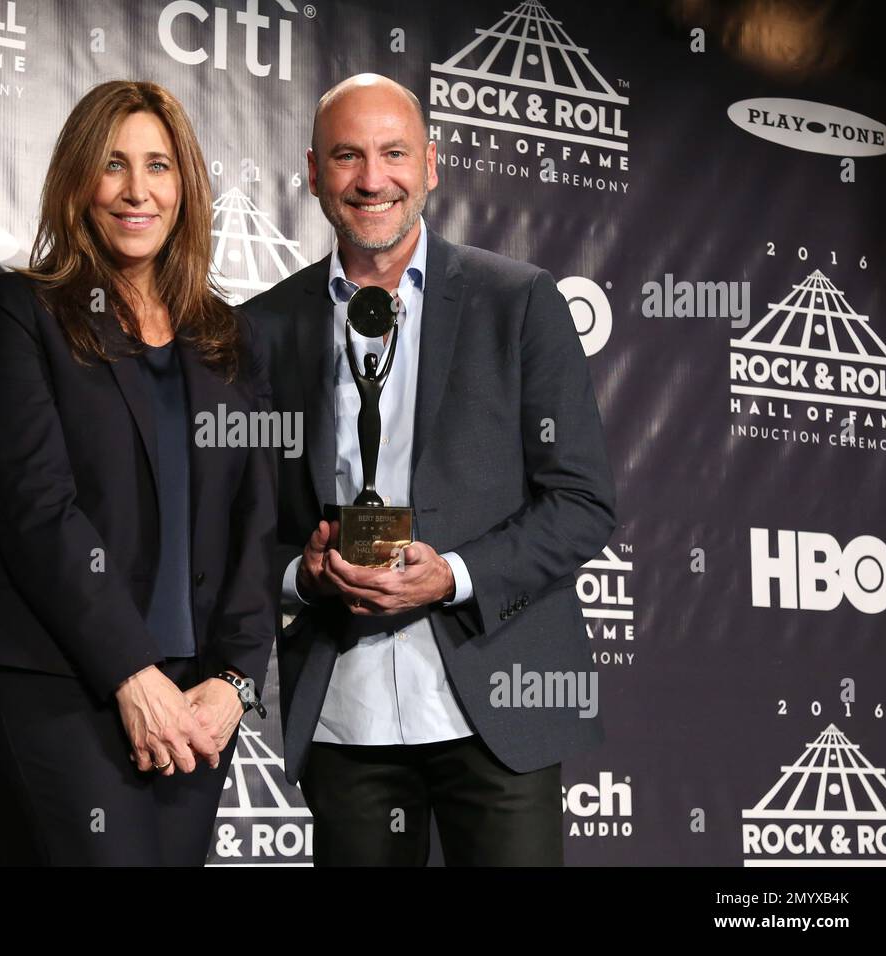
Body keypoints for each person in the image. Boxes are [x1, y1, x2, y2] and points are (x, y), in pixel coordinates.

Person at [241, 74, 616, 866]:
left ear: (433, 165)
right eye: (347, 156)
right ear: (311, 172)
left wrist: (452, 574)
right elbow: (243, 528)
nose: (372, 179)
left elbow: (581, 502)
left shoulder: (518, 301)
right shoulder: (264, 328)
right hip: (346, 715)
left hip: (496, 706)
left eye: (393, 153)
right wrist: (302, 576)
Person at [0, 80, 277, 866]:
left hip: (198, 698)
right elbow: (36, 508)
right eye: (113, 165)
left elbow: (257, 525)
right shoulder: (23, 312)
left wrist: (235, 681)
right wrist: (131, 674)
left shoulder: (229, 339)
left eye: (159, 166)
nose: (138, 190)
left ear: (185, 186)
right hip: (66, 683)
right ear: (77, 181)